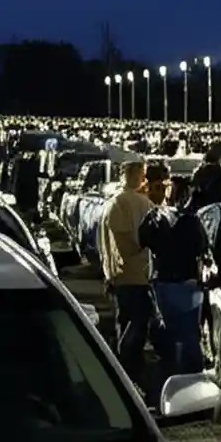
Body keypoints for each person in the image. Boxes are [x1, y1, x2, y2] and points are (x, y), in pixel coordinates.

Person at [139, 172, 209, 382]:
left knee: (170, 329)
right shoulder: (192, 221)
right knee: (189, 333)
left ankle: (171, 373)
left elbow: (142, 239)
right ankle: (191, 376)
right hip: (188, 282)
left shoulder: (155, 217)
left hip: (163, 281)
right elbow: (203, 247)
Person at [98, 160, 155, 388]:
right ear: (138, 176)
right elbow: (128, 244)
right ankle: (127, 372)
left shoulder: (112, 204)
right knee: (136, 324)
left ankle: (127, 369)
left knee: (126, 321)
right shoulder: (140, 204)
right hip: (135, 274)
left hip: (118, 275)